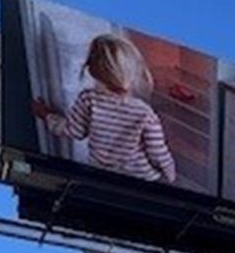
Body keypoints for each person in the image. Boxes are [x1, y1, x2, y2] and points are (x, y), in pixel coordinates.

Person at [33, 34, 176, 184]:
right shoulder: (145, 114)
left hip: (101, 175)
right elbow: (157, 153)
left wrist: (46, 115)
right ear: (136, 72)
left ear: (91, 70)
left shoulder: (88, 99)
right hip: (140, 180)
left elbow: (73, 130)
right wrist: (170, 175)